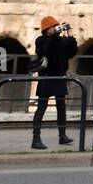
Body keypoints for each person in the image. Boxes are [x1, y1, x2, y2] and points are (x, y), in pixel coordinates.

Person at [32, 16, 77, 150]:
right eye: (53, 27)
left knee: (61, 107)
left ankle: (62, 136)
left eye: (56, 26)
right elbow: (47, 52)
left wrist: (71, 39)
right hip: (46, 77)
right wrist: (55, 38)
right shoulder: (41, 41)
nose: (55, 28)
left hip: (59, 76)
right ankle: (36, 139)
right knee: (41, 108)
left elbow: (71, 53)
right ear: (47, 29)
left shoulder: (60, 40)